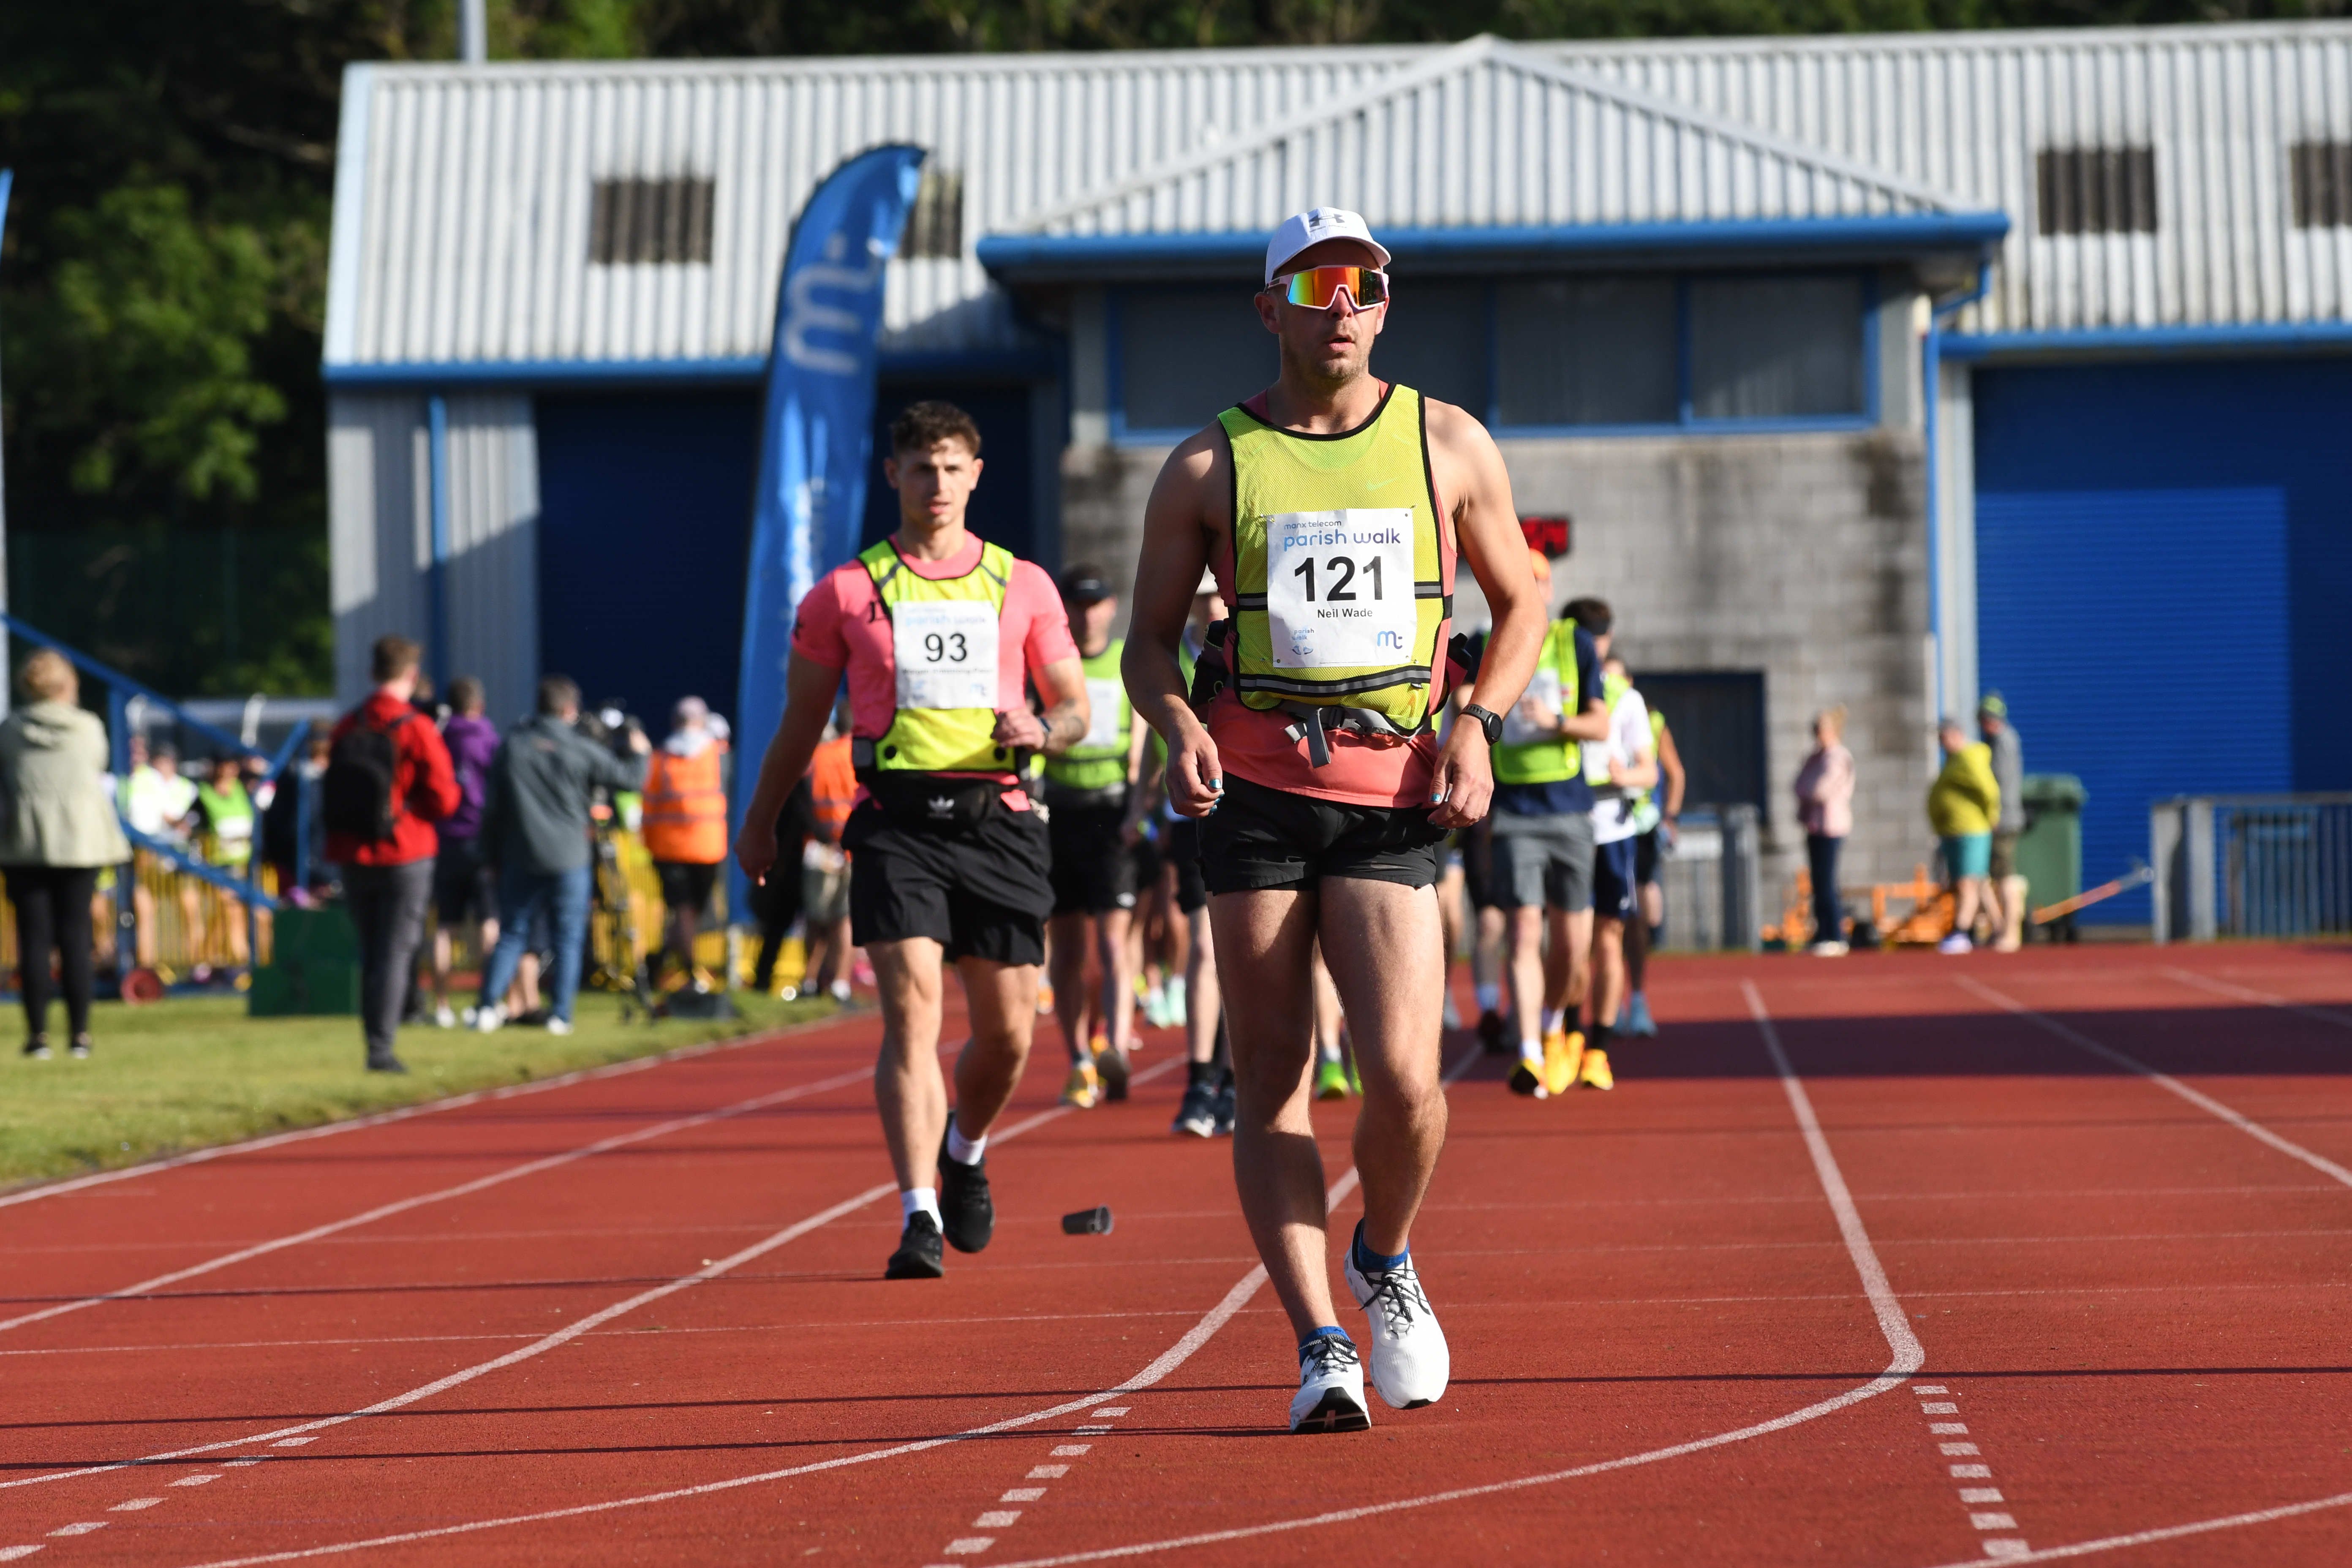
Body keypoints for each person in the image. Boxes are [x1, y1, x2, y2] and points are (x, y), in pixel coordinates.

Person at [1124, 207, 1548, 1432]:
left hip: (1392, 796)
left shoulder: (1448, 443)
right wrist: (1177, 724)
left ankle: (1388, 1260)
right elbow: (1150, 642)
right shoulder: (1211, 465)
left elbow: (1521, 602)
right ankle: (1319, 1343)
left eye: (1363, 283)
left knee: (1409, 1083)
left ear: (1383, 303)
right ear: (1271, 309)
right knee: (1270, 1075)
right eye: (1316, 286)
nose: (1344, 304)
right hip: (1253, 795)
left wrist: (1478, 724)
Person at [734, 399, 1088, 1282]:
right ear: (894, 475)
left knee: (1008, 1033)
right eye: (921, 468)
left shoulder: (1023, 584)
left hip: (999, 818)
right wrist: (761, 816)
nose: (937, 484)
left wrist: (1042, 727)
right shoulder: (846, 593)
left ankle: (963, 1148)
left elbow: (1078, 709)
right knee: (911, 1013)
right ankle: (916, 1210)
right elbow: (798, 722)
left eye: (952, 467)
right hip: (896, 824)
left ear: (977, 474)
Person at [1478, 560, 1610, 1099]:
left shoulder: (1572, 643)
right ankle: (1530, 1050)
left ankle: (1555, 1021)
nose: (1530, 590)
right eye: (1521, 579)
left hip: (1571, 811)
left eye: (1539, 582)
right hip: (1515, 814)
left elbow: (1598, 724)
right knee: (1523, 933)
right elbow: (1463, 702)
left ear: (1551, 589)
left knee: (1574, 945)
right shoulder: (1487, 639)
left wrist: (1554, 721)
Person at [474, 675, 649, 1036]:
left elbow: (492, 809)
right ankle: (561, 1015)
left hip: (521, 853)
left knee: (512, 933)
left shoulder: (513, 746)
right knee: (567, 937)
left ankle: (487, 1007)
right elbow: (630, 779)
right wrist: (640, 750)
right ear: (570, 709)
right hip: (570, 855)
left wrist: (491, 857)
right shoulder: (580, 747)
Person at [323, 635, 459, 1073]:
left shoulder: (349, 723)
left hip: (353, 850)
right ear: (412, 675)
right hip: (406, 849)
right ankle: (380, 1047)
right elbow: (444, 798)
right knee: (395, 951)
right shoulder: (415, 726)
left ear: (373, 673)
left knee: (371, 950)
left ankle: (377, 1037)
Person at [1043, 562, 1149, 1109]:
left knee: (1112, 942)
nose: (1087, 616)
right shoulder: (1052, 666)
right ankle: (1079, 1058)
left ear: (1110, 608)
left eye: (1095, 604)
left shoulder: (1125, 660)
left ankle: (1115, 1046)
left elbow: (1148, 732)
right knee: (1065, 948)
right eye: (1077, 605)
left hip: (1112, 813)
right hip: (1060, 812)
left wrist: (1139, 803)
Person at [2, 650, 132, 1059]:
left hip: (25, 842)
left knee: (34, 941)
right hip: (80, 841)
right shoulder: (87, 727)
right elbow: (98, 764)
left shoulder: (10, 729)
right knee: (77, 938)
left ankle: (38, 1036)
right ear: (65, 686)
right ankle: (80, 1035)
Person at [1579, 648, 1658, 1091]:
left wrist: (1622, 775)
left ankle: (1604, 1038)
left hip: (1619, 830)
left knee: (1615, 932)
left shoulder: (1630, 702)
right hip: (1566, 828)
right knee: (1569, 941)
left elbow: (1655, 771)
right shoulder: (1561, 697)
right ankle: (1561, 1030)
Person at [643, 695, 731, 988]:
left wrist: (649, 842)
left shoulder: (661, 757)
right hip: (707, 846)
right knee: (690, 910)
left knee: (683, 911)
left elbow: (649, 804)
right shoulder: (717, 754)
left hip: (668, 847)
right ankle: (689, 971)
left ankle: (665, 964)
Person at [429, 677, 500, 1025]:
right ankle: (489, 999)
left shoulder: (439, 739)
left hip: (446, 840)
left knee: (446, 925)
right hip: (481, 839)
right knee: (489, 923)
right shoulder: (489, 740)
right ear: (479, 706)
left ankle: (442, 1005)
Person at [1621, 696, 1684, 1034]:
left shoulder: (1653, 721)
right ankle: (1612, 1003)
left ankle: (1638, 1000)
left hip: (1642, 826)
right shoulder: (1588, 709)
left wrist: (1670, 817)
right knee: (1604, 921)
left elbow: (1675, 772)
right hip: (1600, 827)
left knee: (1638, 913)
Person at [1928, 716, 2001, 955]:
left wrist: (1992, 817)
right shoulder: (1952, 760)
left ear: (1957, 734)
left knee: (1967, 883)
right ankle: (2000, 928)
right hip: (1954, 831)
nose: (1941, 742)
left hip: (1970, 830)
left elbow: (1988, 789)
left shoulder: (1970, 757)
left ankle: (1961, 932)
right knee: (1978, 881)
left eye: (1944, 737)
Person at [1794, 705, 1855, 957]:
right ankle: (1822, 933)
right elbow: (1799, 785)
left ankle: (1836, 936)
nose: (1817, 734)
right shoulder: (1815, 757)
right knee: (1818, 883)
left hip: (1832, 827)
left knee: (1828, 882)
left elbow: (1819, 790)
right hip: (1814, 825)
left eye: (1821, 729)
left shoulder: (1838, 757)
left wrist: (1809, 792)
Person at [192, 754, 258, 964]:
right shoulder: (204, 794)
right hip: (218, 866)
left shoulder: (242, 790)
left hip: (245, 863)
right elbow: (189, 824)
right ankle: (242, 959)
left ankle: (207, 960)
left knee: (231, 915)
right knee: (229, 912)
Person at [1979, 692, 2028, 953]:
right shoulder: (2002, 739)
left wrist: (1995, 815)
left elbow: (2002, 782)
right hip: (2005, 816)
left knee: (2005, 877)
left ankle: (2010, 934)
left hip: (2003, 819)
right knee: (1994, 878)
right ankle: (2002, 930)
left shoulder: (2002, 742)